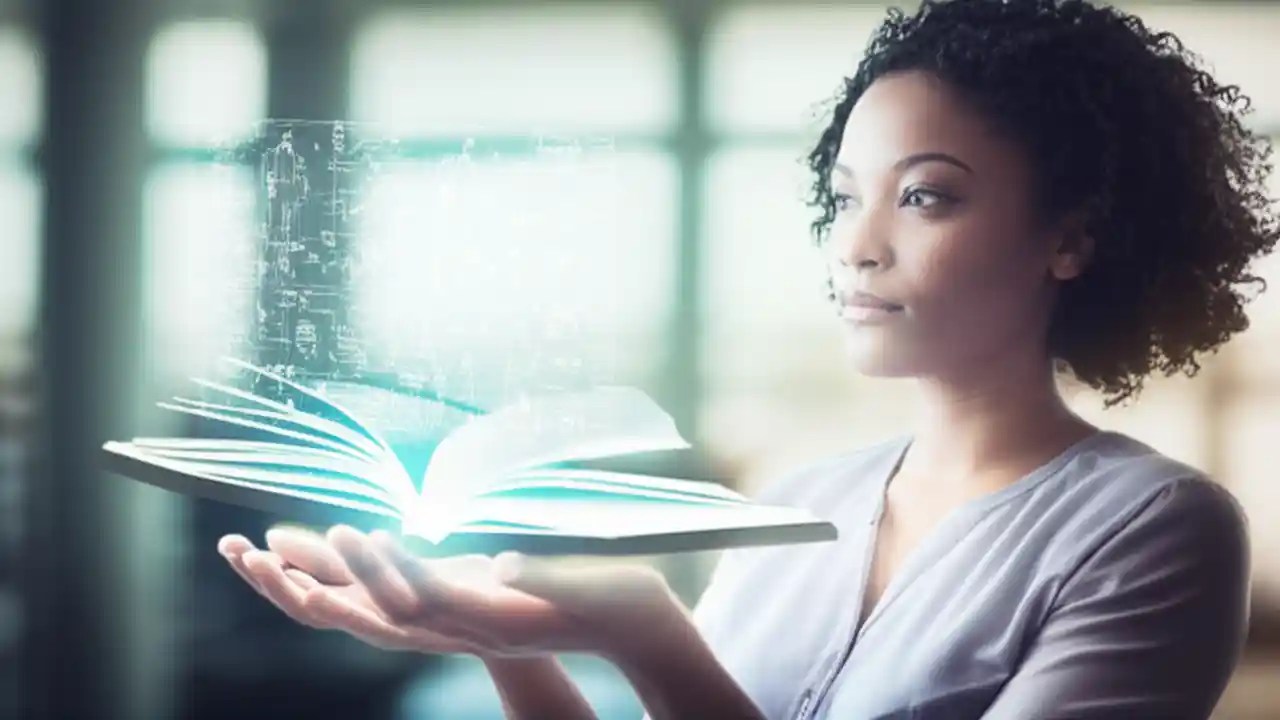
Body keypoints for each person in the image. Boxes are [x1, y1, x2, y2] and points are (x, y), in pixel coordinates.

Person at [218, 0, 1280, 717]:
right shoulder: (802, 505)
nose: (857, 244)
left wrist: (647, 632)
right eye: (842, 197)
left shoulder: (1156, 531)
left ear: (1072, 236)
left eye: (924, 194)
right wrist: (507, 647)